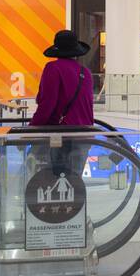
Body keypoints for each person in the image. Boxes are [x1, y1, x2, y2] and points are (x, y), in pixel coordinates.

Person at [31, 31, 95, 173]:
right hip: (84, 134)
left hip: (61, 135)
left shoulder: (52, 68)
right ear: (76, 52)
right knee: (74, 182)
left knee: (52, 181)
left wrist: (31, 130)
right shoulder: (85, 72)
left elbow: (47, 105)